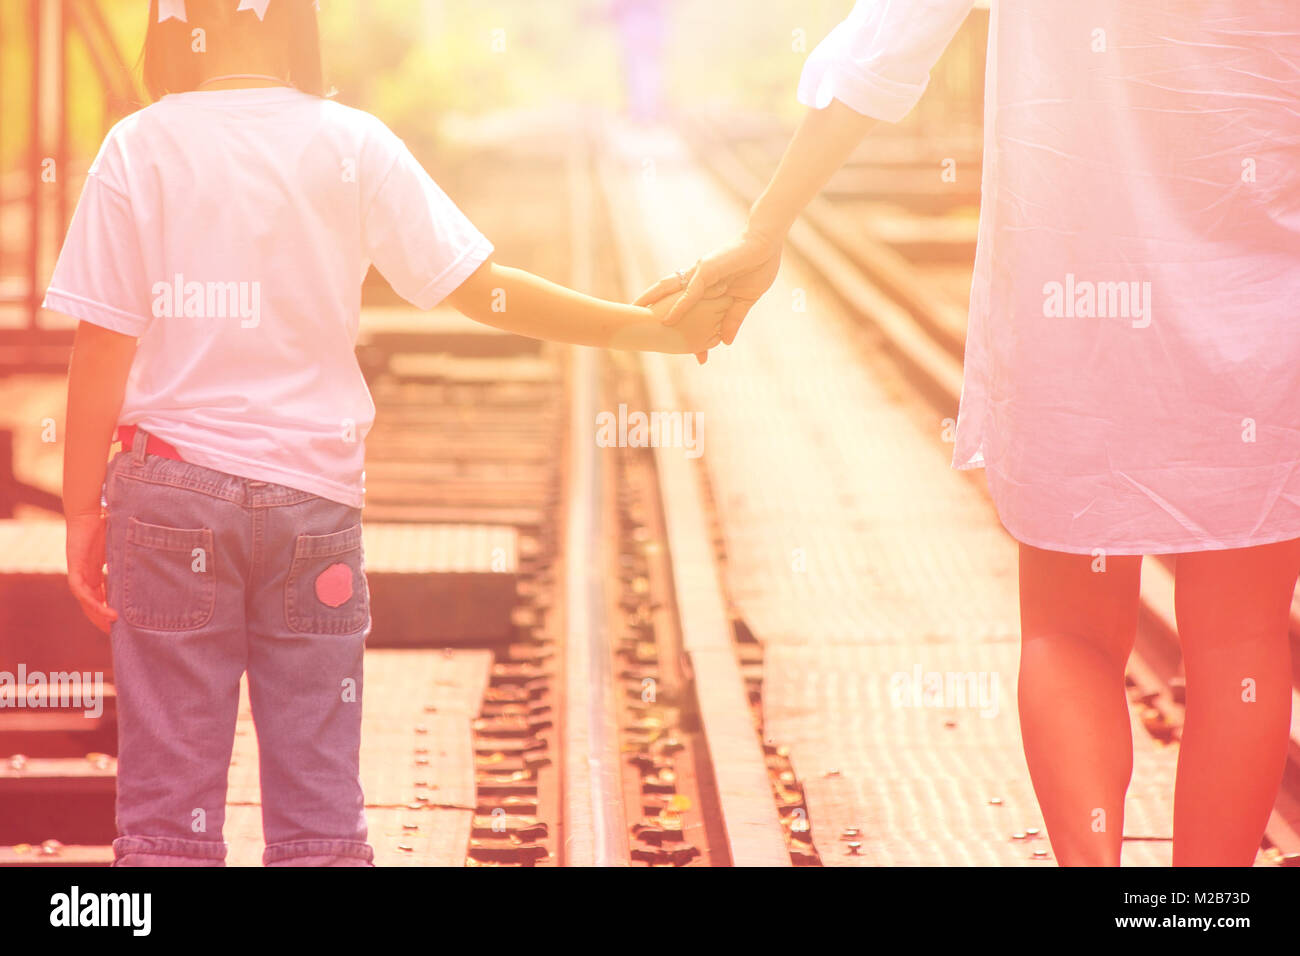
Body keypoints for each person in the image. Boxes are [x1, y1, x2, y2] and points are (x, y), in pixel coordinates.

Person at [50, 0, 727, 867]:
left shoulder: (137, 148)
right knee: (321, 816)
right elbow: (481, 287)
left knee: (165, 821)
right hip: (310, 508)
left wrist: (80, 511)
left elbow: (101, 344)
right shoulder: (353, 144)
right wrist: (641, 327)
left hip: (169, 496)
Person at [639, 0, 1300, 866]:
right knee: (1244, 641)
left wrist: (765, 230)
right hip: (1264, 312)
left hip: (1072, 310)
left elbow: (887, 40)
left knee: (1070, 636)